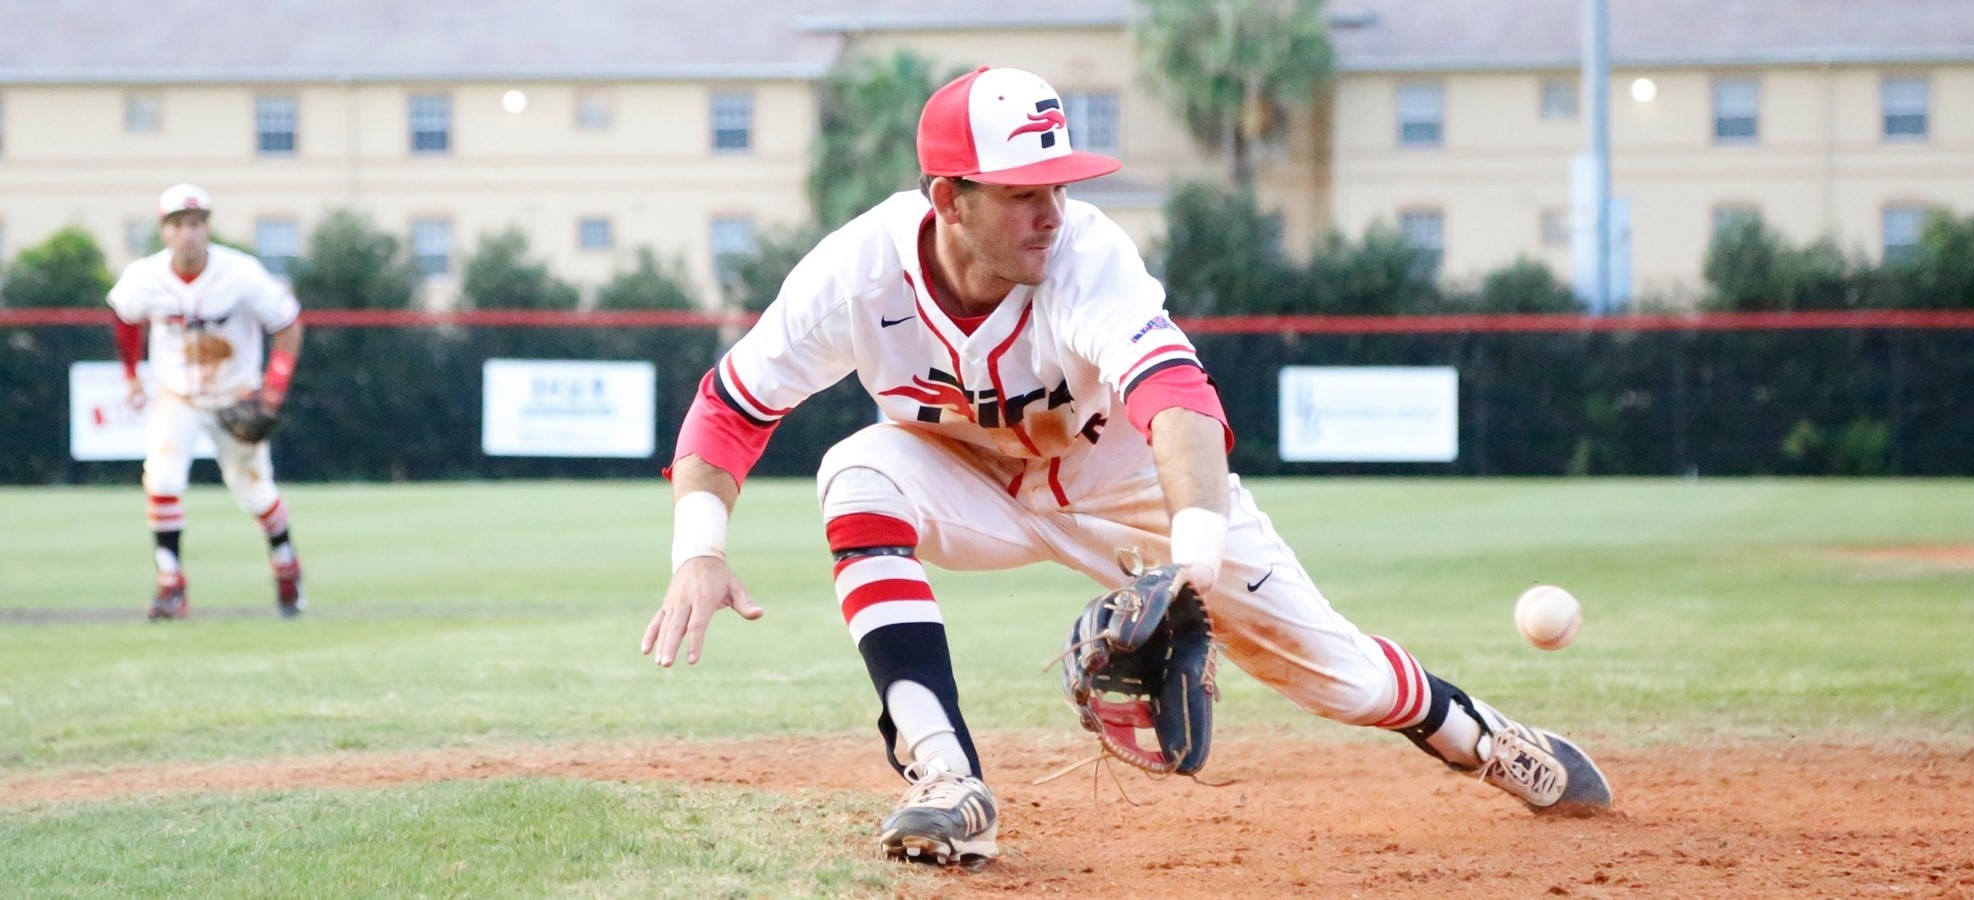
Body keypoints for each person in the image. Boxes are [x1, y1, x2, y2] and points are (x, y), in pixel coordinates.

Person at [641, 66, 1610, 867]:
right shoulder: (856, 274)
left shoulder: (1086, 257)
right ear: (948, 200)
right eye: (1022, 193)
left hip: (1131, 489)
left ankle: (1483, 739)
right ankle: (946, 777)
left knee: (1343, 680)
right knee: (855, 474)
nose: (1051, 212)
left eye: (1059, 186)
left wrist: (1190, 563)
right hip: (970, 483)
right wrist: (699, 550)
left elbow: (1178, 401)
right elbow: (730, 406)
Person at [108, 184, 308, 620]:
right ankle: (171, 584)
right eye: (178, 224)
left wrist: (272, 390)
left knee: (254, 493)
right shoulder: (145, 276)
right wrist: (131, 375)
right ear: (165, 230)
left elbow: (289, 324)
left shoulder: (241, 273)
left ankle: (286, 565)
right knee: (161, 480)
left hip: (234, 395)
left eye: (196, 223)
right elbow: (125, 318)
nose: (188, 233)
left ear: (207, 227)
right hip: (177, 394)